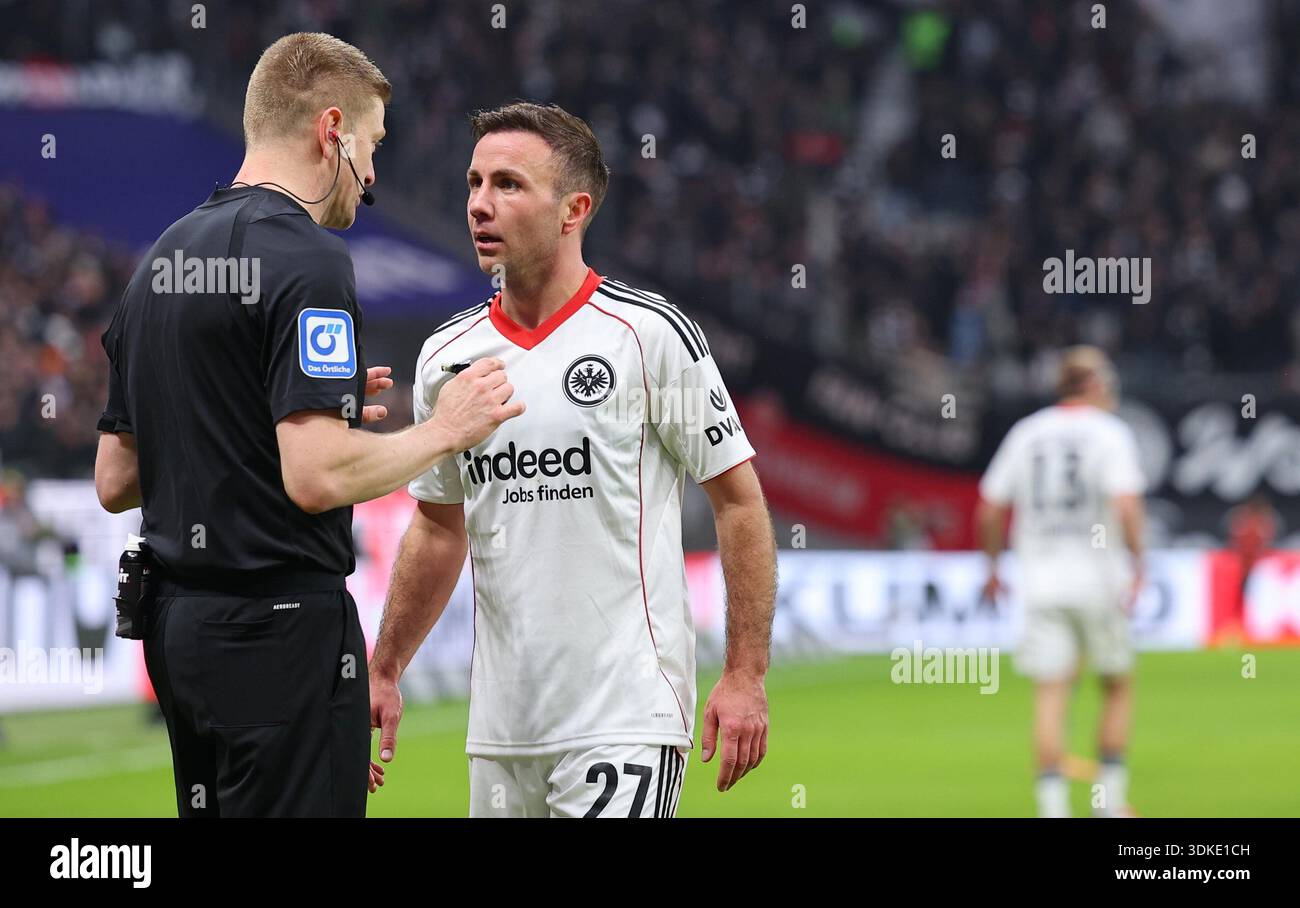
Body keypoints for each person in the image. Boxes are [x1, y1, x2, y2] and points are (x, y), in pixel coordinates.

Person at [92, 33, 522, 817]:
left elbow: (115, 481)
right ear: (333, 130)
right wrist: (445, 429)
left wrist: (253, 402)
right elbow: (317, 476)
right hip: (279, 635)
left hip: (179, 635)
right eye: (375, 144)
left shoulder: (162, 259)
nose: (375, 173)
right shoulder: (307, 258)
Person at [367, 102, 777, 817]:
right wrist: (384, 666)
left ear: (573, 209)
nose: (479, 205)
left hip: (626, 715)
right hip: (502, 732)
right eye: (473, 183)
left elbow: (739, 502)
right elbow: (438, 528)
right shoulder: (445, 358)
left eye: (508, 184)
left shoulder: (647, 336)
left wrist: (745, 674)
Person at [976, 346, 1145, 818]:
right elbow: (1127, 505)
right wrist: (1140, 563)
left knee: (1050, 694)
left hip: (1041, 582)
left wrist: (992, 568)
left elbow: (989, 507)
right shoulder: (1111, 433)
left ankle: (1054, 811)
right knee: (1115, 684)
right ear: (1094, 384)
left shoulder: (1027, 433)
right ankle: (1109, 804)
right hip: (1099, 578)